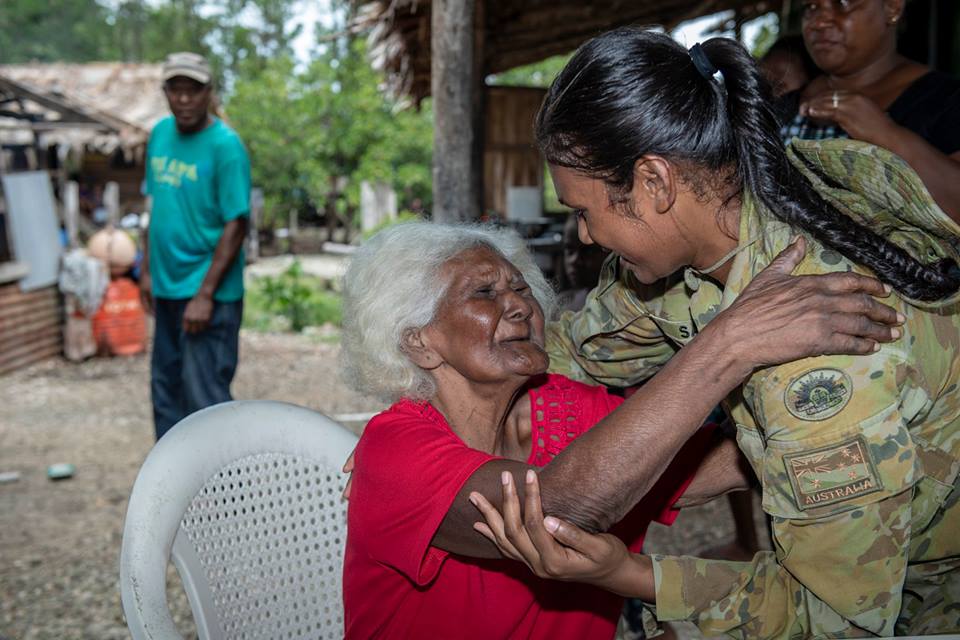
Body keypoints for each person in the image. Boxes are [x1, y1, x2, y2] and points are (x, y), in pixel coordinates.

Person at [469, 28, 960, 638]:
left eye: (582, 212)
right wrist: (428, 422)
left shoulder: (822, 358)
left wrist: (629, 574)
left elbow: (833, 619)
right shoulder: (713, 224)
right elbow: (580, 351)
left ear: (654, 183)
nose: (587, 237)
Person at [340, 220, 902, 639]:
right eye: (484, 293)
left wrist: (857, 406)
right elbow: (553, 513)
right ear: (418, 339)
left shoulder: (564, 409)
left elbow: (712, 464)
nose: (519, 306)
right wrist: (729, 345)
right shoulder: (394, 449)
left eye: (522, 289)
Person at [141, 52, 251, 439]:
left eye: (193, 90)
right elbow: (153, 207)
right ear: (166, 92)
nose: (184, 99)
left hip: (210, 297)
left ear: (209, 93)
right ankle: (171, 493)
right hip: (168, 289)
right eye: (176, 89)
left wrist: (205, 293)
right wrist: (146, 271)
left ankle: (220, 495)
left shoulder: (226, 146)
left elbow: (237, 223)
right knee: (165, 391)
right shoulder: (158, 135)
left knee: (205, 400)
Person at [780, 0, 960, 220]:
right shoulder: (783, 108)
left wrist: (884, 133)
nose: (818, 22)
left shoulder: (947, 100)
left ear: (892, 7)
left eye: (842, 3)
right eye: (811, 7)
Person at [558, 212, 607, 311]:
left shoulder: (621, 309)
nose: (574, 260)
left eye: (588, 251)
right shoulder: (561, 303)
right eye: (569, 249)